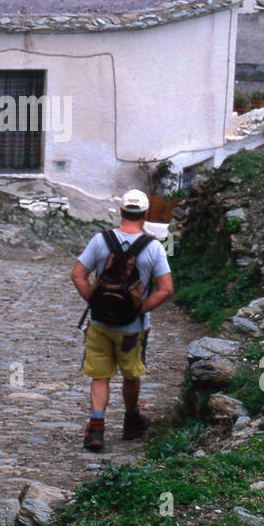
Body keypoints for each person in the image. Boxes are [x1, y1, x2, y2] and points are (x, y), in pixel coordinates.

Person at [71, 188, 174, 451]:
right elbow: (166, 289)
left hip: (99, 324)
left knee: (100, 375)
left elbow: (78, 275)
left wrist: (94, 303)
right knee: (131, 374)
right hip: (133, 328)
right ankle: (131, 420)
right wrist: (140, 309)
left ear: (121, 212)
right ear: (145, 214)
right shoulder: (153, 248)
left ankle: (96, 427)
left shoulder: (100, 240)